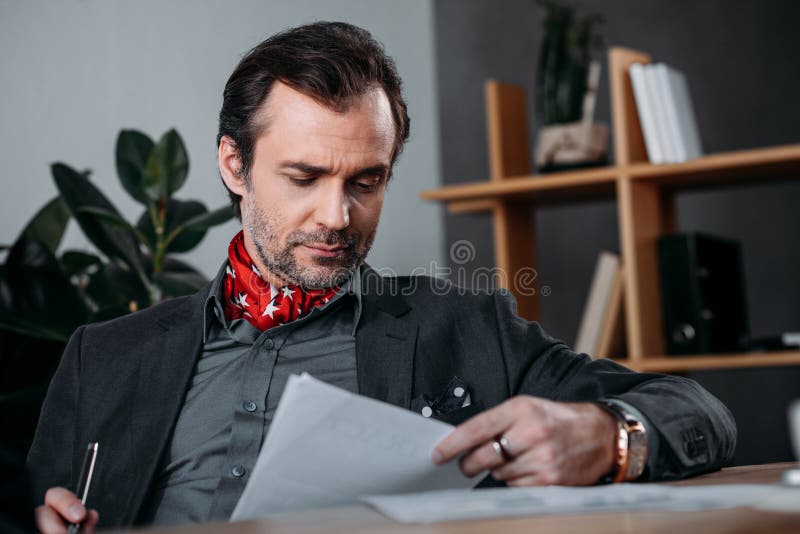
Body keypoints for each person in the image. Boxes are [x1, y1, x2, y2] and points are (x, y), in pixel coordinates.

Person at [28, 21, 736, 532]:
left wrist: (614, 437)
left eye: (367, 180)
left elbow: (698, 410)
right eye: (304, 177)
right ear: (234, 166)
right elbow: (33, 507)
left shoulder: (462, 328)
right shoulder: (105, 356)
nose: (338, 216)